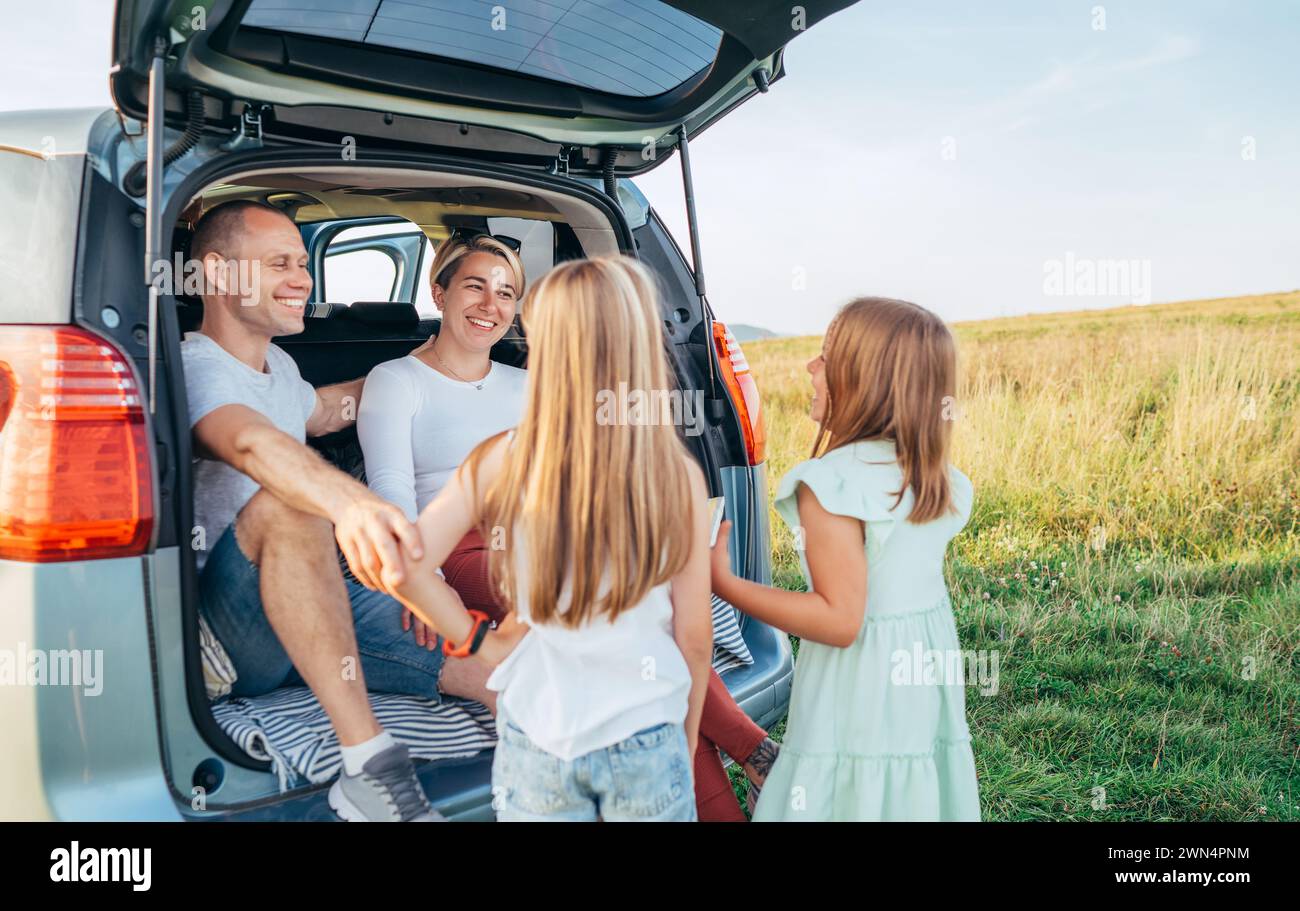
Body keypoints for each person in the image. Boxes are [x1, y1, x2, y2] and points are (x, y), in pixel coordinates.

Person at [357, 233, 779, 820]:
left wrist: (473, 634)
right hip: (465, 547)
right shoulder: (396, 379)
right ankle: (754, 756)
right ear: (440, 292)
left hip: (548, 542)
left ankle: (750, 757)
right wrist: (434, 584)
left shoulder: (521, 395)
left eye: (506, 292)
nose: (490, 303)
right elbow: (393, 495)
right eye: (475, 285)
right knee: (643, 659)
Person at [182, 200, 493, 822]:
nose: (303, 279)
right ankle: (370, 769)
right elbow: (248, 439)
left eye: (303, 263)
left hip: (310, 600)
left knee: (492, 670)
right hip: (228, 634)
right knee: (292, 507)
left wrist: (424, 368)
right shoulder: (193, 366)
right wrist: (350, 504)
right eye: (280, 265)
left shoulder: (280, 367)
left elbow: (323, 412)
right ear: (218, 274)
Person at [709, 297, 981, 821]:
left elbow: (839, 620)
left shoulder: (832, 483)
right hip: (921, 677)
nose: (811, 367)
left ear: (865, 381)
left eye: (826, 358)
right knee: (903, 789)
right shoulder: (936, 476)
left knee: (848, 791)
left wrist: (726, 583)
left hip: (861, 683)